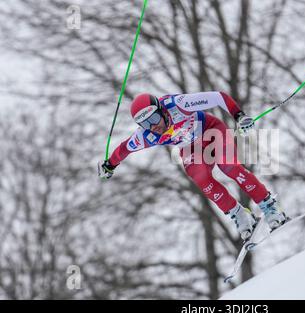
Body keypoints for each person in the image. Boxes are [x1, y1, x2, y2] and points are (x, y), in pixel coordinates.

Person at [98, 91, 287, 241]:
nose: (153, 126)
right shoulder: (147, 135)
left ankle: (269, 206)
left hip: (211, 129)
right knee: (201, 179)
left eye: (153, 119)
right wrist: (110, 166)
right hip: (190, 147)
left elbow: (218, 97)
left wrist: (239, 116)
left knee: (228, 166)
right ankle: (240, 215)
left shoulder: (178, 104)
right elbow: (124, 148)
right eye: (145, 124)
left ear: (161, 110)